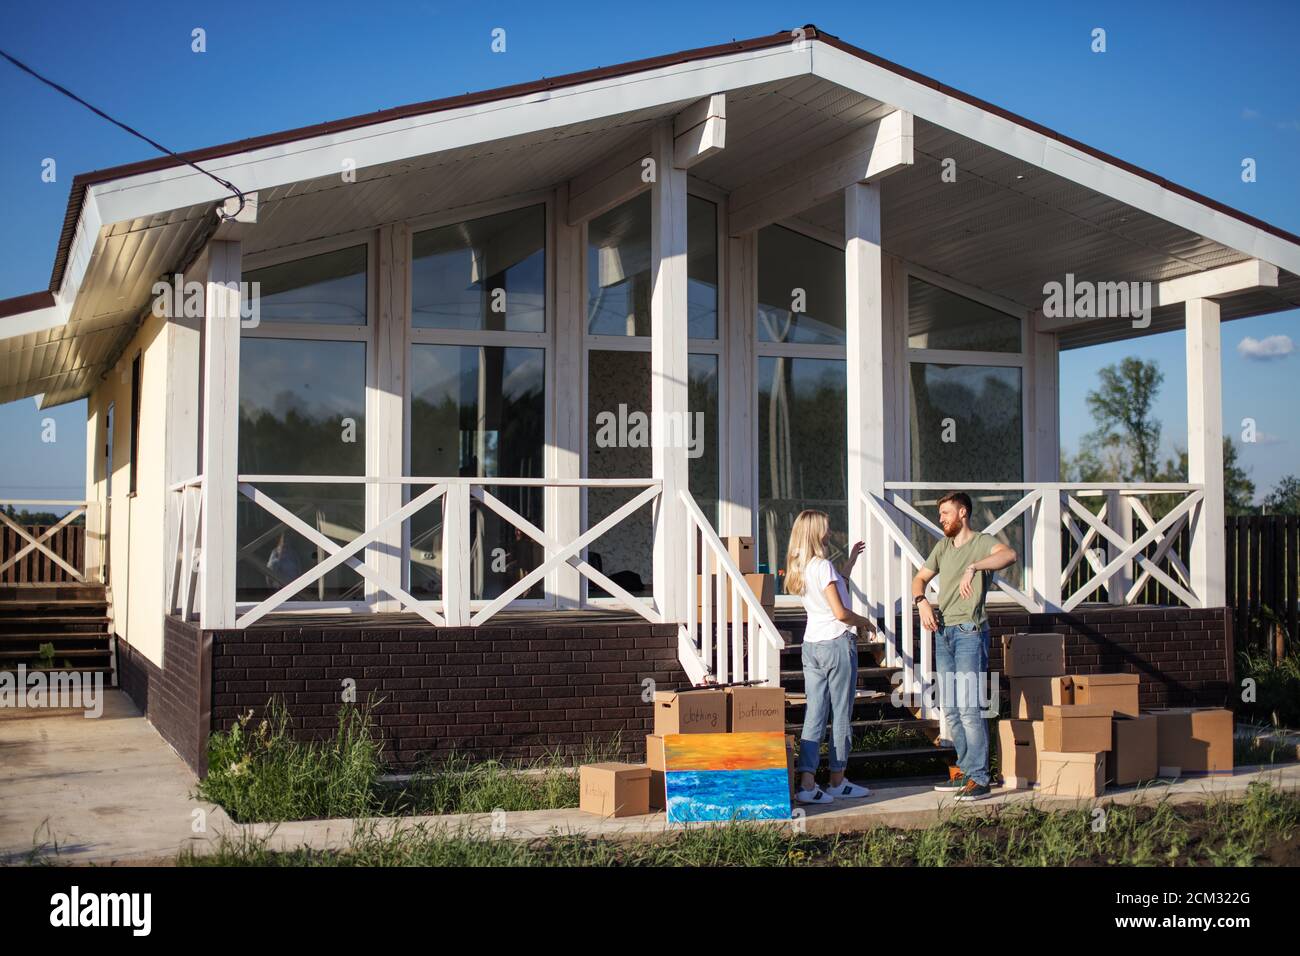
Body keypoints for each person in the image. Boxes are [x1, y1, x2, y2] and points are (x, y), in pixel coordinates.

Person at [911, 491, 1018, 802]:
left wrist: (975, 567)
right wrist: (922, 602)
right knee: (953, 709)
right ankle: (967, 773)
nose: (941, 518)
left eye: (945, 513)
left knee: (970, 708)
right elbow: (919, 579)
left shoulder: (981, 542)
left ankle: (981, 779)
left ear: (962, 513)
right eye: (940, 514)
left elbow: (1008, 555)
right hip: (943, 632)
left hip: (970, 632)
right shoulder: (943, 546)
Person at [784, 509, 877, 805]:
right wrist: (866, 622)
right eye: (825, 528)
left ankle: (807, 783)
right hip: (837, 643)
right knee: (840, 715)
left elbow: (834, 584)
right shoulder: (822, 566)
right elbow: (840, 612)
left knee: (815, 712)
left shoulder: (801, 566)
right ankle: (837, 781)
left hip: (811, 646)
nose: (829, 532)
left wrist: (849, 562)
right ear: (815, 533)